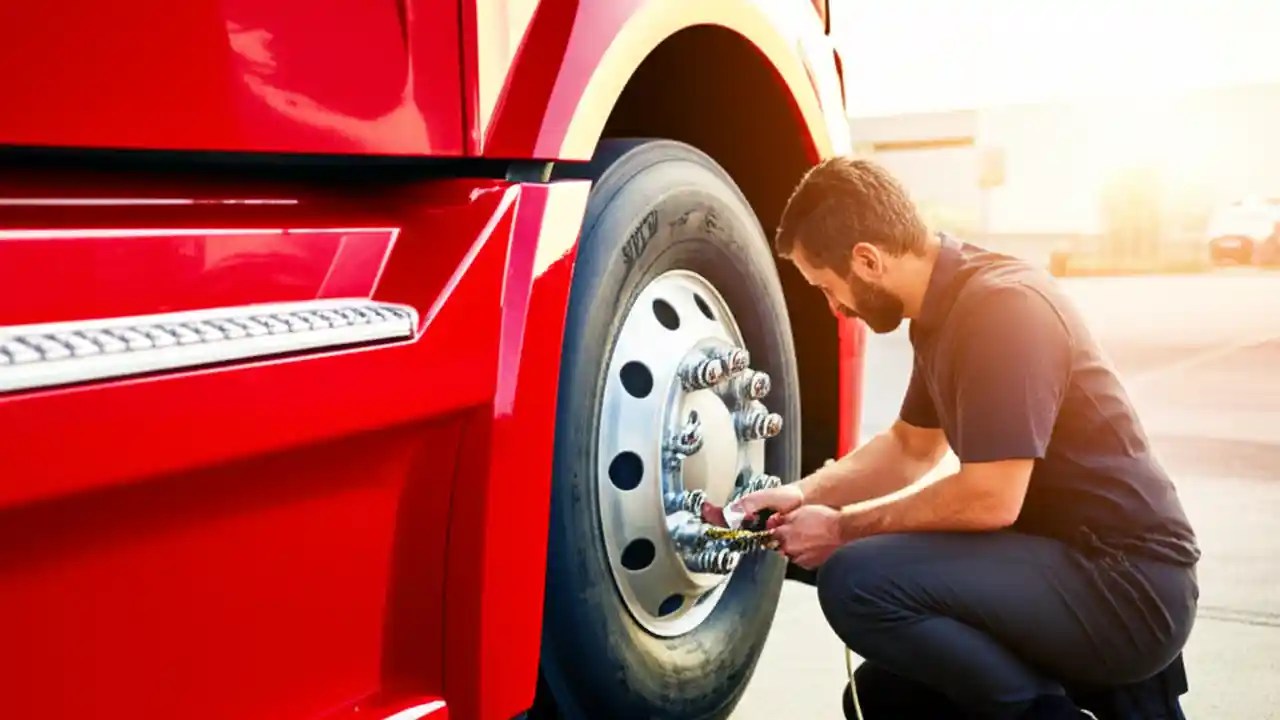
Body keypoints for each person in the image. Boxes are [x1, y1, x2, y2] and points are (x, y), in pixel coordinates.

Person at [709, 157, 1200, 719]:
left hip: (1124, 585)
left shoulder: (1002, 310)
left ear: (866, 260)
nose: (834, 309)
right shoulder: (942, 310)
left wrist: (842, 530)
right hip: (1064, 564)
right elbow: (911, 448)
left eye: (827, 288)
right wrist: (804, 496)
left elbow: (991, 498)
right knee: (884, 696)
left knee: (856, 580)